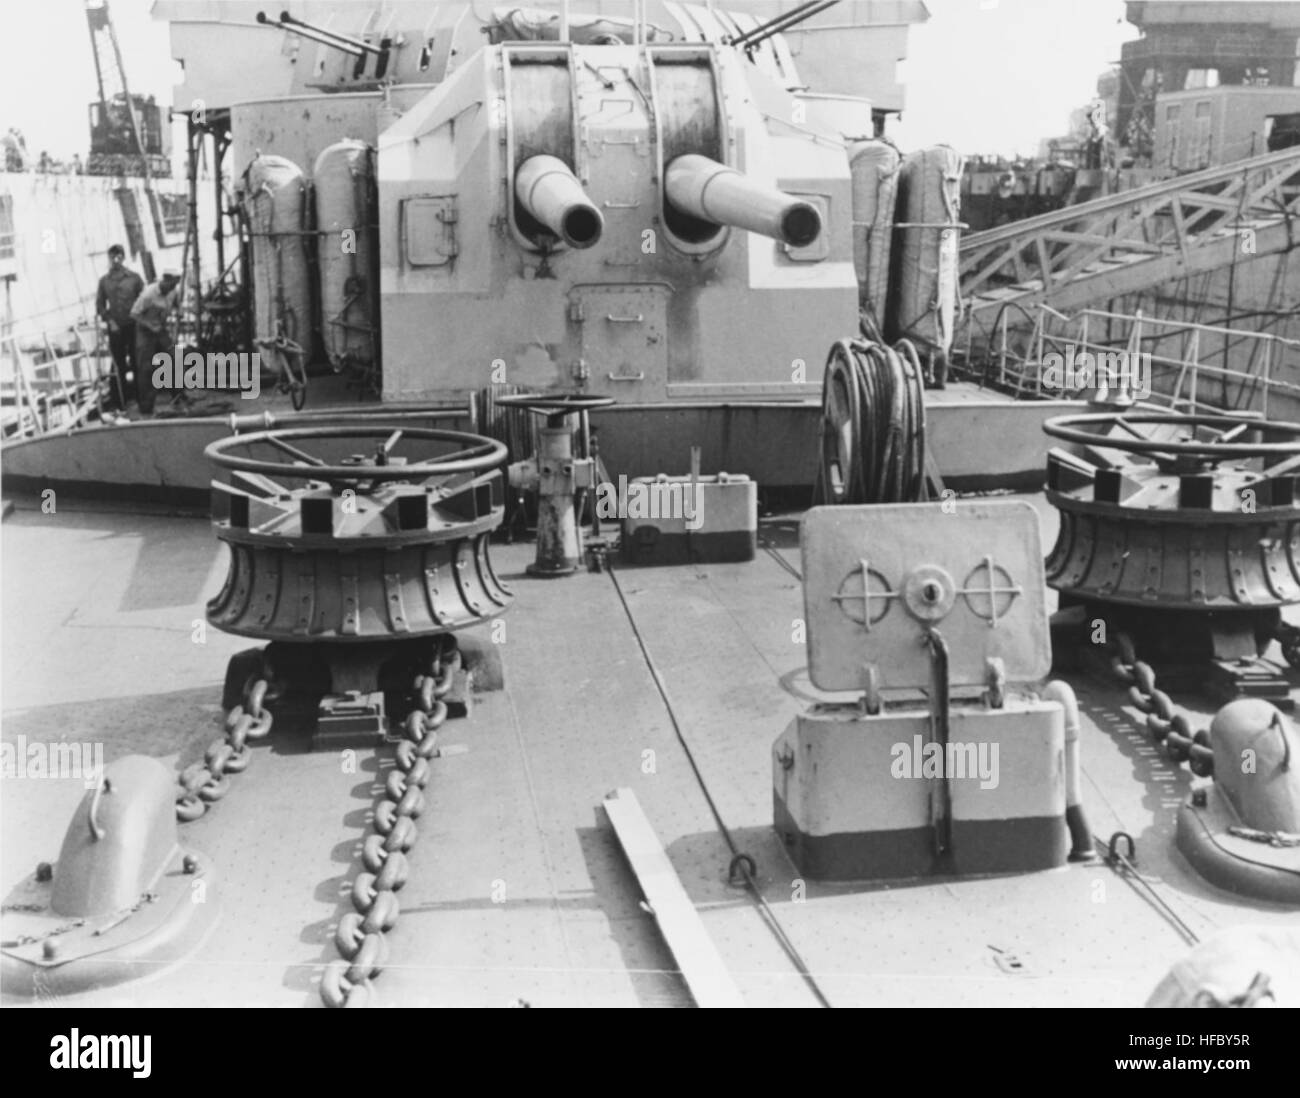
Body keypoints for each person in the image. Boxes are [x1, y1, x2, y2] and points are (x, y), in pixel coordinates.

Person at [95, 245, 144, 409]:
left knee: (137, 360)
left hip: (133, 325)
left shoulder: (135, 278)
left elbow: (143, 301)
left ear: (123, 257)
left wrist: (139, 320)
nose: (115, 260)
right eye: (112, 257)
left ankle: (140, 396)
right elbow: (100, 305)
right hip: (115, 328)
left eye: (118, 257)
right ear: (109, 259)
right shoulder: (104, 281)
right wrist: (110, 321)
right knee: (118, 363)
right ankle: (119, 401)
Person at [129, 268, 182, 414]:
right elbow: (134, 313)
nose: (173, 288)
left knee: (173, 359)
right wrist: (149, 325)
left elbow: (176, 301)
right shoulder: (149, 294)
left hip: (160, 329)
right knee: (146, 368)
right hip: (145, 331)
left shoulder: (172, 291)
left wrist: (179, 310)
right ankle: (146, 407)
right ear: (164, 279)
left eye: (175, 285)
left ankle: (177, 396)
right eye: (171, 284)